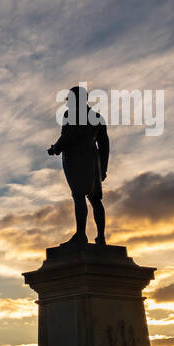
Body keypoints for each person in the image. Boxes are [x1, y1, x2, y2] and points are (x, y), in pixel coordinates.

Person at [48, 85, 110, 244]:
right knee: (95, 198)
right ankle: (101, 237)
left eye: (69, 99)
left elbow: (67, 135)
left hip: (77, 157)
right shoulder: (97, 117)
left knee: (78, 195)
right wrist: (103, 167)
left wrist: (55, 149)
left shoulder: (71, 114)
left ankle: (81, 234)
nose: (67, 102)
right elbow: (104, 146)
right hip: (93, 157)